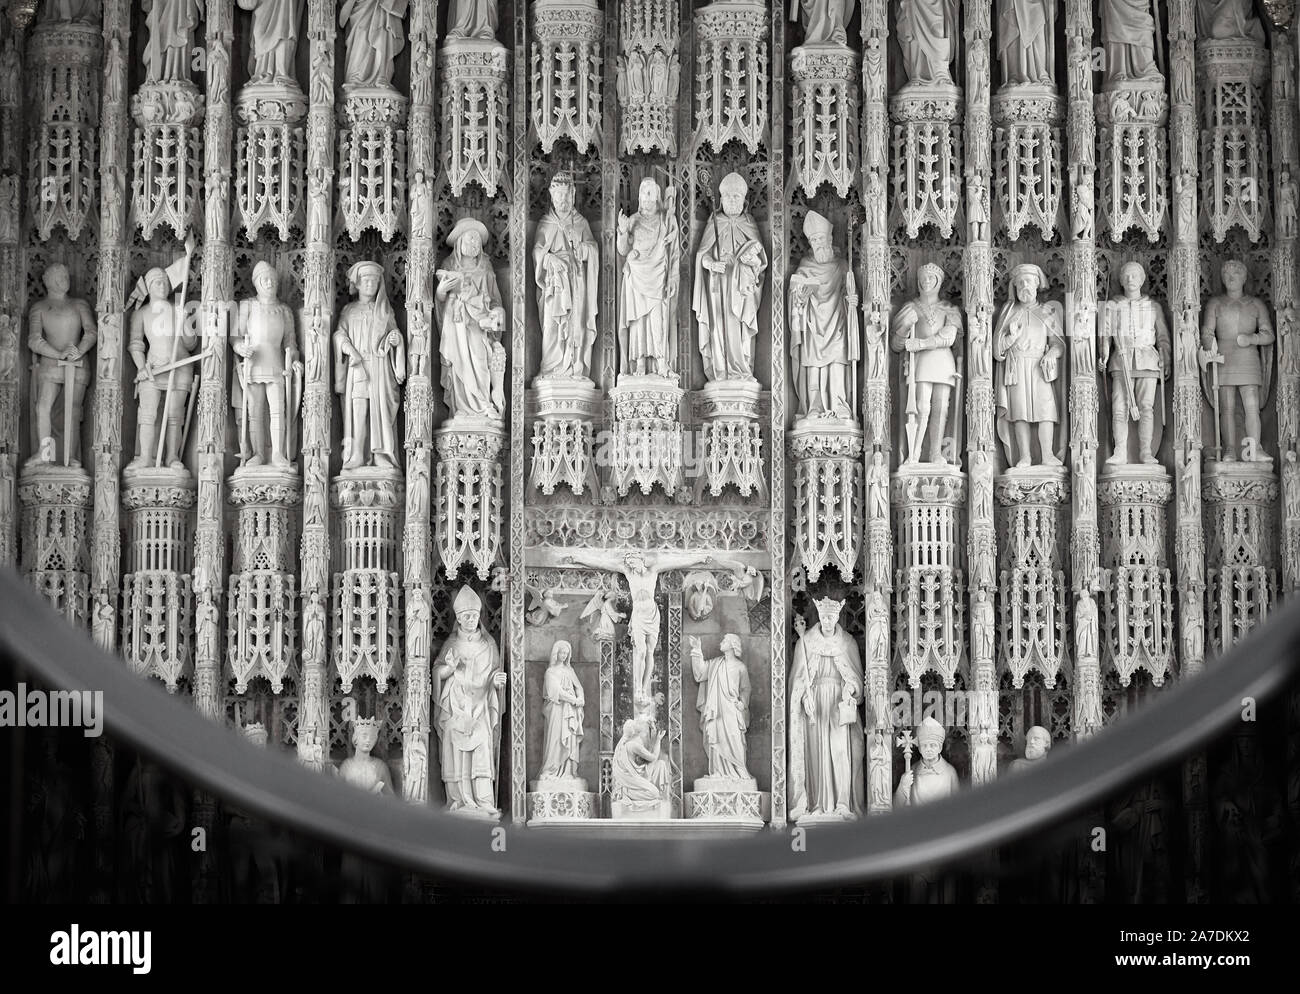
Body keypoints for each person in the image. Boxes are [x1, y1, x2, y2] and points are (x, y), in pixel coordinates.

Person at [563, 549, 712, 709]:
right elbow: (602, 563)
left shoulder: (653, 571)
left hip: (653, 615)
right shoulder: (628, 572)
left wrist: (700, 558)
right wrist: (578, 558)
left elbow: (676, 562)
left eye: (631, 560)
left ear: (640, 559)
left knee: (649, 652)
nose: (628, 563)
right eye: (627, 561)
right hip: (639, 616)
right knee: (640, 651)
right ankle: (639, 690)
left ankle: (645, 686)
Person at [432, 586, 507, 816]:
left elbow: (494, 673)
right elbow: (437, 672)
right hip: (456, 707)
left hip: (481, 707)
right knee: (454, 744)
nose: (472, 620)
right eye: (467, 616)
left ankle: (484, 801)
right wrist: (449, 668)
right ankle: (457, 800)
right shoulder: (452, 645)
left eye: (475, 616)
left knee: (483, 742)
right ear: (459, 619)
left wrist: (497, 680)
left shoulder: (489, 645)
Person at [789, 597, 865, 820]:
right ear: (819, 617)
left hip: (838, 706)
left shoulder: (848, 643)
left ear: (838, 617)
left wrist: (850, 689)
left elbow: (858, 679)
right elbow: (798, 677)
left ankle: (843, 803)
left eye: (832, 617)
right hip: (815, 705)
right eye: (824, 617)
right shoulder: (806, 642)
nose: (828, 621)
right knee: (816, 754)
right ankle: (815, 805)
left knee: (840, 751)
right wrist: (803, 696)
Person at [694, 172, 767, 382]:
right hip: (720, 284)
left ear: (744, 200)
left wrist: (750, 261)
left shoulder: (749, 222)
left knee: (740, 327)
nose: (732, 201)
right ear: (721, 199)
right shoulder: (716, 222)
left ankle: (742, 369)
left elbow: (761, 260)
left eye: (736, 197)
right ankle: (721, 370)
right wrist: (711, 264)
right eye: (728, 197)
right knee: (718, 326)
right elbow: (703, 254)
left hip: (742, 289)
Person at [1200, 259, 1273, 463]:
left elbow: (1269, 334)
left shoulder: (1255, 304)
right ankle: (1230, 450)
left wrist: (1252, 339)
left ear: (1244, 277)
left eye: (1236, 274)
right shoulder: (1216, 303)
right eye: (1227, 275)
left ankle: (1254, 448)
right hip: (1223, 358)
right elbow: (1207, 331)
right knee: (1227, 408)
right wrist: (1209, 345)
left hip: (1248, 358)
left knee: (1252, 407)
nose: (1231, 278)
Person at [334, 261, 405, 470]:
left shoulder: (385, 311)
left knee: (379, 410)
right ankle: (356, 453)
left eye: (374, 281)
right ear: (356, 284)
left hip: (380, 367)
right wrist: (349, 349)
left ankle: (381, 453)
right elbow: (339, 334)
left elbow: (396, 334)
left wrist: (396, 341)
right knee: (359, 410)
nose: (370, 284)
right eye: (365, 280)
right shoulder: (349, 310)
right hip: (358, 367)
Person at [994, 263, 1066, 467]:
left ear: (1037, 285)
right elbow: (997, 349)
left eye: (1029, 282)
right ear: (1015, 288)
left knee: (1046, 410)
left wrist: (1051, 354)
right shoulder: (1009, 313)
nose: (1025, 286)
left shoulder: (1047, 311)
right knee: (1020, 412)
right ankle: (1024, 456)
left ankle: (1047, 455)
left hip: (1039, 366)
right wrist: (1011, 338)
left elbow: (1058, 344)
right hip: (1016, 366)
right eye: (1020, 283)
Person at [790, 211, 859, 420]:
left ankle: (839, 403)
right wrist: (799, 297)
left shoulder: (842, 266)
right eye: (814, 240)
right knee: (812, 365)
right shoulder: (805, 266)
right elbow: (795, 294)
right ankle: (814, 407)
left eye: (821, 239)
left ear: (830, 239)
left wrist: (852, 301)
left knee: (837, 362)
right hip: (813, 324)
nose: (818, 243)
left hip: (837, 321)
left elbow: (850, 293)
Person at [25, 264, 95, 469]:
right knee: (43, 407)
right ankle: (44, 453)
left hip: (78, 363)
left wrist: (79, 350)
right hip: (50, 363)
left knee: (73, 411)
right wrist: (58, 354)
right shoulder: (39, 307)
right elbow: (34, 340)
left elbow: (91, 332)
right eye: (60, 276)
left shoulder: (79, 304)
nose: (64, 279)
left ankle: (71, 456)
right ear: (49, 280)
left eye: (66, 275)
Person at [891, 263, 962, 465]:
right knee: (921, 407)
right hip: (920, 364)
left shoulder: (949, 309)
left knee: (941, 408)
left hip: (943, 363)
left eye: (932, 278)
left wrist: (921, 343)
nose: (927, 281)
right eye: (923, 278)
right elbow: (896, 345)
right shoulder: (910, 308)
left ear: (939, 282)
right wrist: (905, 326)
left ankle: (935, 453)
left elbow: (949, 336)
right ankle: (914, 452)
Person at [128, 267, 198, 471]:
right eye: (157, 282)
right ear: (148, 287)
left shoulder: (177, 308)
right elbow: (135, 344)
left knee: (175, 415)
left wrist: (184, 319)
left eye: (165, 282)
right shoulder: (142, 313)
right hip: (153, 368)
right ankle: (145, 457)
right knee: (148, 414)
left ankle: (172, 457)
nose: (162, 286)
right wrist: (141, 367)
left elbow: (191, 343)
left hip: (180, 366)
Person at [436, 217, 506, 421]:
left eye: (477, 240)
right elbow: (438, 303)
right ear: (459, 243)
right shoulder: (448, 265)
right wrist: (441, 291)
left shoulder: (485, 269)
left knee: (479, 358)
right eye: (470, 239)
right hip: (455, 325)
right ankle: (462, 408)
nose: (474, 243)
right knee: (458, 363)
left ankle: (482, 404)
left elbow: (495, 299)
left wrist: (497, 313)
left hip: (478, 324)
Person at [1101, 261, 1170, 465]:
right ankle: (1120, 451)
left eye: (1134, 275)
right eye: (1127, 276)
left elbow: (1163, 336)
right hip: (1121, 360)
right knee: (1119, 408)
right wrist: (1104, 354)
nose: (1131, 279)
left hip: (1147, 360)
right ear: (1121, 281)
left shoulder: (1153, 306)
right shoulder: (1113, 306)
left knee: (1146, 407)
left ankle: (1146, 451)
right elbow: (1105, 335)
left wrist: (1166, 358)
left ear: (1142, 279)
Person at [232, 261, 301, 468]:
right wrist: (239, 347)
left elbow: (290, 341)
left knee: (278, 410)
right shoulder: (248, 305)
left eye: (272, 279)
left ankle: (278, 453)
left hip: (277, 364)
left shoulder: (284, 310)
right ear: (256, 283)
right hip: (253, 364)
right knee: (255, 410)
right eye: (265, 279)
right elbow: (235, 335)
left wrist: (295, 360)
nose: (270, 282)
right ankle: (259, 453)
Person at [534, 172, 598, 380]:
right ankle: (552, 367)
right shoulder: (546, 223)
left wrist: (583, 250)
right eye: (559, 195)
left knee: (575, 324)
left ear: (573, 196)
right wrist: (548, 259)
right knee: (553, 325)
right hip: (554, 284)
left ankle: (573, 366)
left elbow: (593, 248)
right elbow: (537, 252)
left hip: (576, 280)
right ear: (552, 196)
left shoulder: (580, 222)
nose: (562, 200)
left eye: (566, 196)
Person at [617, 177, 679, 378]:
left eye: (650, 193)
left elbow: (674, 252)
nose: (646, 197)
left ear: (657, 197)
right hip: (636, 275)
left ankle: (662, 363)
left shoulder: (666, 220)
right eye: (643, 193)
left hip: (658, 275)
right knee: (638, 323)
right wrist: (623, 231)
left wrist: (672, 279)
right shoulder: (633, 219)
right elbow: (623, 249)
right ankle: (640, 364)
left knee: (657, 320)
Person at [688, 634, 753, 782]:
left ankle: (739, 770)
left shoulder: (740, 667)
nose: (721, 642)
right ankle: (718, 772)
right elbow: (700, 673)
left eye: (724, 640)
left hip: (731, 709)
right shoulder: (715, 663)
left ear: (732, 645)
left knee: (734, 738)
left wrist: (742, 703)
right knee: (715, 738)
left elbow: (746, 688)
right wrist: (697, 650)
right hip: (715, 708)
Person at [538, 640, 585, 784]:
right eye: (562, 652)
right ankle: (550, 769)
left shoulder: (569, 671)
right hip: (557, 710)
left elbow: (579, 687)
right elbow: (556, 692)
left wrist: (581, 697)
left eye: (566, 653)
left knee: (570, 739)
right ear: (556, 653)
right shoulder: (550, 672)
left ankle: (568, 772)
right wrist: (574, 700)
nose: (564, 655)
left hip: (570, 710)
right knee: (556, 740)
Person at [338, 0, 407, 88]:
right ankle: (356, 77)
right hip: (361, 13)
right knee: (362, 36)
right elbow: (342, 19)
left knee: (382, 35)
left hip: (382, 8)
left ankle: (382, 77)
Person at [895, 715, 960, 805]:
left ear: (940, 748)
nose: (928, 749)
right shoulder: (912, 771)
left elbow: (958, 806)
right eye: (924, 745)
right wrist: (902, 786)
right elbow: (897, 807)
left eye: (933, 745)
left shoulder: (950, 772)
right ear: (919, 749)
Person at [238, 0, 301, 83]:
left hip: (283, 3)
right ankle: (261, 72)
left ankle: (281, 73)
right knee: (259, 35)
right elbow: (249, 4)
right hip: (263, 6)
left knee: (283, 30)